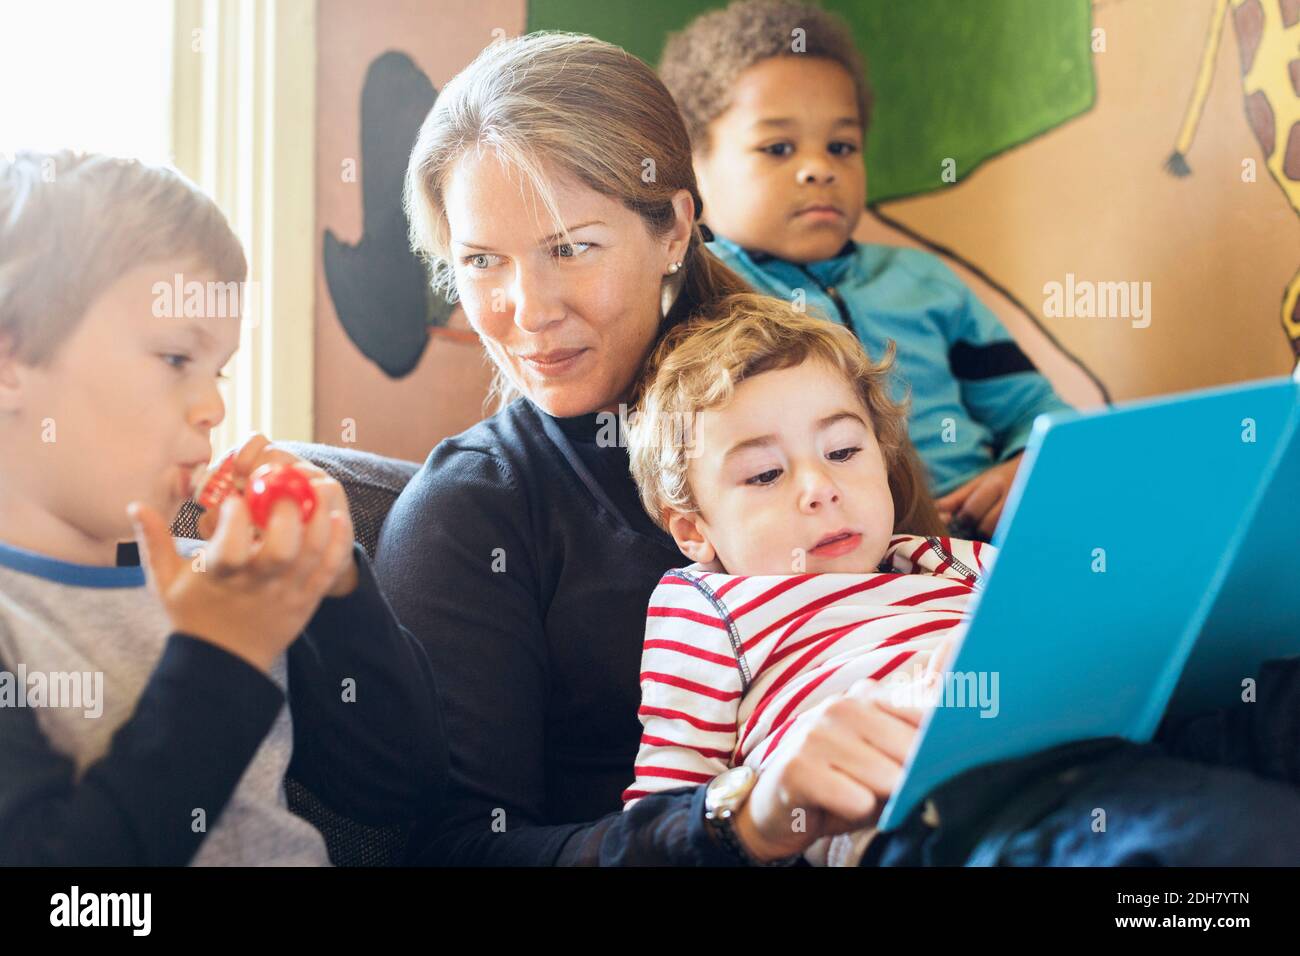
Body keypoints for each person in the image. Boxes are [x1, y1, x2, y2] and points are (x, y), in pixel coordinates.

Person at [383, 31, 1300, 867]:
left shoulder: (807, 381)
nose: (528, 311)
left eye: (570, 248)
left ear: (671, 227)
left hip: (1061, 749)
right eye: (480, 262)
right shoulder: (474, 513)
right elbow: (451, 850)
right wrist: (742, 813)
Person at [0, 151, 446, 865]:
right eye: (177, 358)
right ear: (11, 362)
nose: (214, 407)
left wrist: (334, 590)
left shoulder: (229, 579)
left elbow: (398, 789)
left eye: (220, 371)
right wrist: (220, 656)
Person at [659, 0, 1072, 539]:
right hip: (832, 560)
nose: (819, 169)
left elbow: (1040, 412)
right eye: (778, 147)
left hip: (991, 548)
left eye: (842, 146)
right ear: (694, 168)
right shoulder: (699, 295)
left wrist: (1026, 468)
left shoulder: (926, 282)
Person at [621, 293, 985, 866]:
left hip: (1068, 744)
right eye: (765, 474)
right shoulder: (711, 605)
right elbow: (667, 806)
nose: (820, 487)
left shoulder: (942, 559)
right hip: (915, 819)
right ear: (694, 530)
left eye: (842, 450)